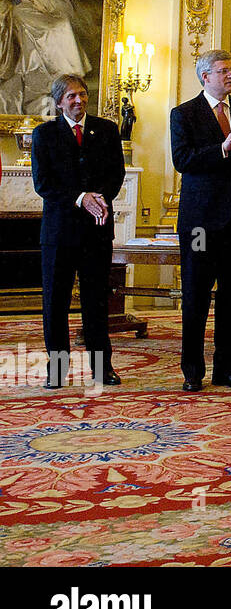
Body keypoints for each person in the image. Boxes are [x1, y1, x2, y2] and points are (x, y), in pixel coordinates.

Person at [171, 49, 231, 392]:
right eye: (223, 70)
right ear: (206, 77)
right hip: (199, 223)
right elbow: (183, 159)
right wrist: (224, 147)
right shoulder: (183, 113)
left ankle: (225, 367)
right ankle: (192, 370)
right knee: (196, 294)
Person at [30, 74, 125, 388]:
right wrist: (82, 197)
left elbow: (116, 173)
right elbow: (44, 184)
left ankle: (102, 368)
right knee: (55, 303)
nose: (78, 101)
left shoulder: (107, 130)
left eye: (82, 94)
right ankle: (56, 370)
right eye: (71, 96)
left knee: (96, 301)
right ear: (59, 102)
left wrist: (100, 196)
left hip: (97, 231)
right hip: (59, 233)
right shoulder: (44, 135)